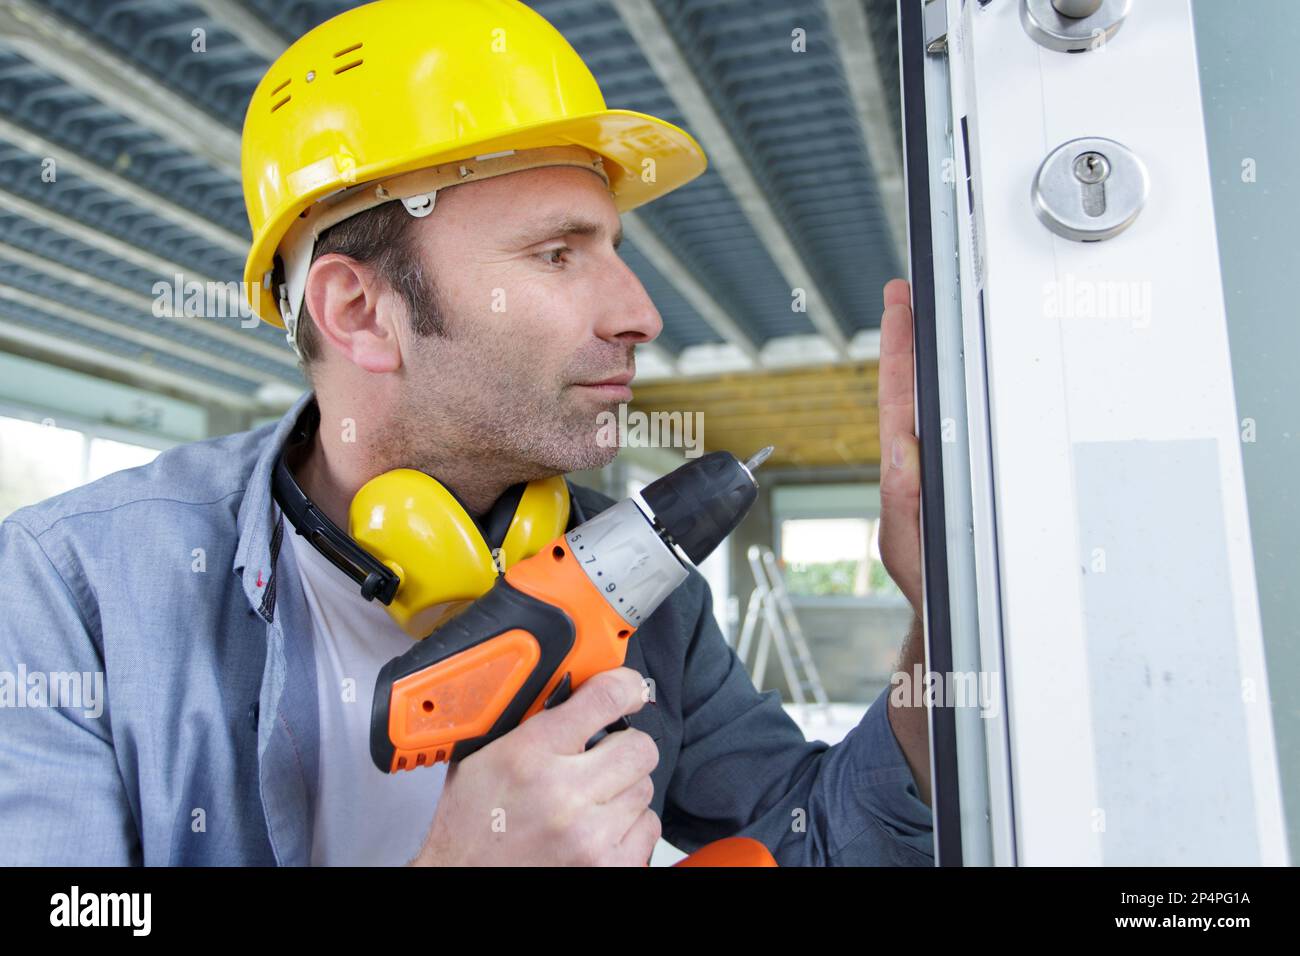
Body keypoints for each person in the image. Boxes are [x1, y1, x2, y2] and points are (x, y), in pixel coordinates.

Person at [0, 0, 932, 866]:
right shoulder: (68, 593)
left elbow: (817, 838)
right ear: (360, 312)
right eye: (557, 253)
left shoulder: (631, 580)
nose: (642, 313)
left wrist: (944, 619)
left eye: (617, 249)